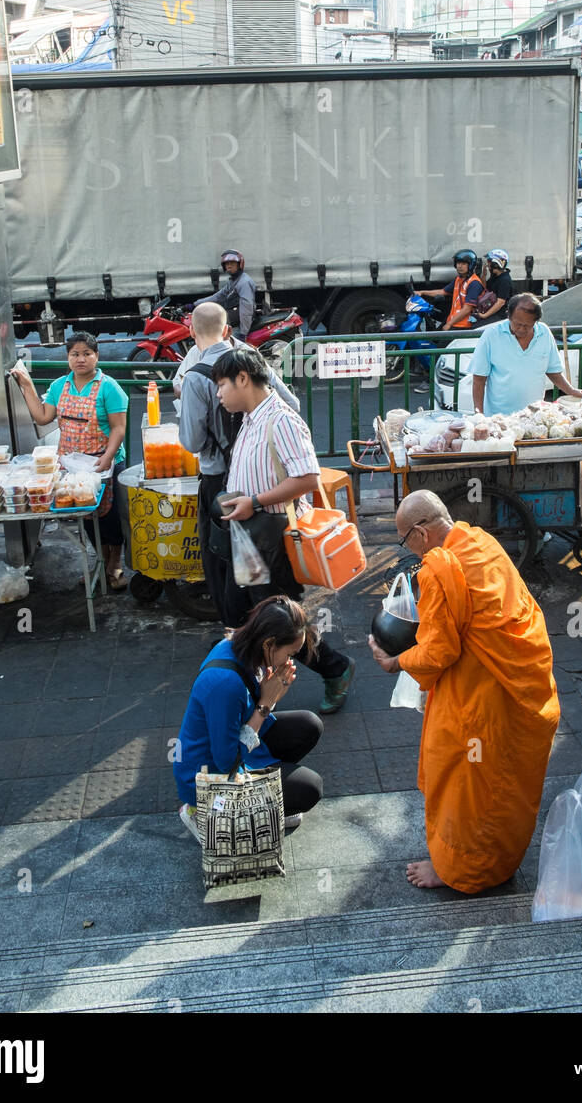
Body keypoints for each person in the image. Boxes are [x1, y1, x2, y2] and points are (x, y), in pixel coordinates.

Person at [368, 490, 560, 892]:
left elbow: (439, 651)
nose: (411, 551)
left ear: (420, 533)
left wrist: (394, 662)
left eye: (406, 541)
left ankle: (461, 871)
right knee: (504, 781)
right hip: (520, 686)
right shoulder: (479, 540)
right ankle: (500, 861)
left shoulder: (439, 567)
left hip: (479, 698)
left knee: (465, 779)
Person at [213, 345, 355, 715]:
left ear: (243, 378)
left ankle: (335, 667)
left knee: (279, 622)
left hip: (272, 537)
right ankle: (254, 689)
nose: (218, 394)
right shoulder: (251, 416)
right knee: (240, 615)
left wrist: (255, 501)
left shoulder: (282, 420)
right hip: (248, 536)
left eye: (222, 385)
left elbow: (307, 478)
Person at [178, 302, 299, 634]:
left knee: (228, 563)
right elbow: (293, 404)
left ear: (191, 332)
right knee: (257, 561)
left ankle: (256, 631)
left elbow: (191, 441)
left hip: (220, 484)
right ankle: (262, 628)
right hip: (260, 480)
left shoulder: (193, 376)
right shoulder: (250, 358)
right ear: (227, 330)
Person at [174, 596, 324, 840]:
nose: (290, 661)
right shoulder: (225, 683)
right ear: (269, 644)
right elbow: (227, 763)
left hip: (233, 747)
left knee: (309, 726)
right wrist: (266, 704)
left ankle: (270, 805)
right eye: (290, 653)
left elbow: (245, 717)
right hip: (209, 779)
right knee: (309, 788)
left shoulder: (240, 649)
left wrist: (270, 696)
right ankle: (200, 813)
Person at [11, 333, 130, 590]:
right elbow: (43, 417)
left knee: (109, 517)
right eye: (75, 354)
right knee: (85, 516)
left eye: (87, 353)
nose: (81, 359)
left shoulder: (109, 387)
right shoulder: (58, 386)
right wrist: (27, 386)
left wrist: (108, 457)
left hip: (103, 463)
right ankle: (99, 562)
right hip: (73, 466)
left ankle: (114, 564)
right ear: (68, 358)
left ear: (96, 356)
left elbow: (119, 428)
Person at [470, 293, 582, 416]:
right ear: (509, 317)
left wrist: (572, 391)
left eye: (527, 326)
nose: (521, 329)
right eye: (517, 324)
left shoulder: (544, 333)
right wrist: (479, 414)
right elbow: (478, 379)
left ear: (536, 322)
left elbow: (553, 371)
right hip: (498, 417)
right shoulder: (491, 335)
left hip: (534, 415)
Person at [195, 249, 257, 339]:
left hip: (240, 324)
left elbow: (246, 309)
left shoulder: (244, 282)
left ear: (240, 264)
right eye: (227, 264)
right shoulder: (234, 281)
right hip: (234, 319)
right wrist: (196, 304)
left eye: (232, 263)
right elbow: (218, 297)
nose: (229, 266)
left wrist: (243, 333)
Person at [418, 250, 484, 331]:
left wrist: (449, 324)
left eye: (463, 264)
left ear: (471, 265)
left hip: (463, 326)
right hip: (454, 322)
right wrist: (422, 292)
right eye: (458, 263)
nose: (460, 266)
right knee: (435, 339)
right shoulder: (459, 280)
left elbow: (467, 309)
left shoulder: (474, 283)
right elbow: (442, 292)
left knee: (441, 344)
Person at [474, 249, 513, 325]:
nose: (487, 264)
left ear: (496, 264)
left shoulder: (504, 280)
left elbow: (500, 302)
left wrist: (485, 315)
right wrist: (484, 275)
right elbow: (484, 289)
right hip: (490, 310)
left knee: (476, 327)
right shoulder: (495, 276)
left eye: (489, 262)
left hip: (499, 315)